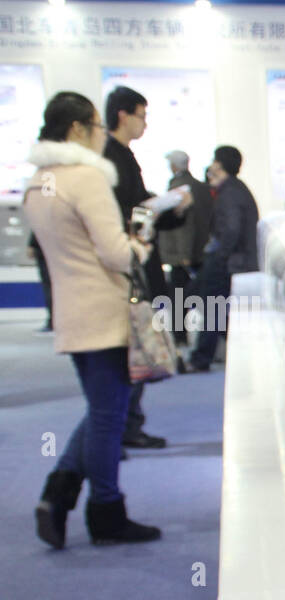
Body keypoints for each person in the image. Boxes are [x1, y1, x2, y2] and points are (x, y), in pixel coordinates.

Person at [24, 91, 161, 547]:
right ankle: (105, 510)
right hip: (104, 310)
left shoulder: (40, 182)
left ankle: (59, 492)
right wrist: (141, 245)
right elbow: (116, 253)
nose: (102, 135)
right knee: (109, 417)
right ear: (79, 129)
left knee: (101, 410)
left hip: (71, 312)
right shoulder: (85, 178)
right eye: (98, 126)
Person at [101, 86, 192, 448]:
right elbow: (129, 215)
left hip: (138, 265)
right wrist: (158, 207)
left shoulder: (122, 156)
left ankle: (126, 426)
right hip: (128, 272)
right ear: (123, 114)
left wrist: (167, 211)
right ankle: (120, 430)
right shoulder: (111, 158)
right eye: (142, 115)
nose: (145, 124)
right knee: (131, 352)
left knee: (136, 353)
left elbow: (139, 214)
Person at [188, 145, 259, 373]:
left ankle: (201, 358)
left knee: (213, 309)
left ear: (219, 164)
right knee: (220, 311)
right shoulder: (237, 189)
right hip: (235, 261)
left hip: (227, 262)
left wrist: (219, 255)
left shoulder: (229, 193)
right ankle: (238, 357)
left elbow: (230, 229)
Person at [156, 150, 212, 348]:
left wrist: (183, 254)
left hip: (183, 254)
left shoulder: (179, 188)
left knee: (179, 295)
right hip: (201, 249)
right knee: (204, 294)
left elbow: (183, 226)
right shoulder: (201, 187)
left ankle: (180, 336)